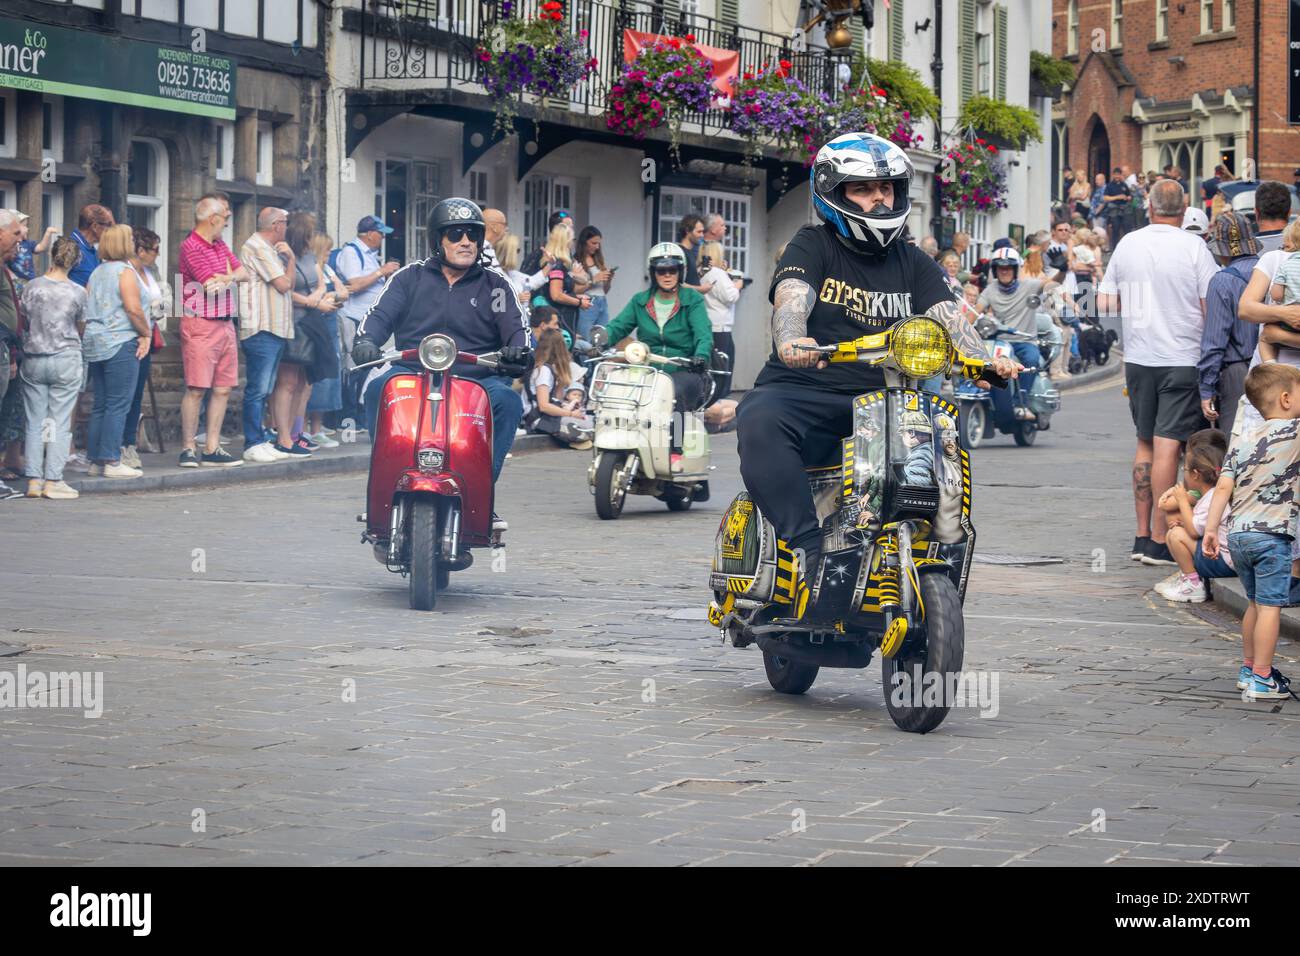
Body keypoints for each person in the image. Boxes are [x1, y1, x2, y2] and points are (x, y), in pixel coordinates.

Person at [736, 132, 1018, 617]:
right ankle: (808, 548)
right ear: (834, 193)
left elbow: (951, 319)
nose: (879, 198)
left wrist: (984, 360)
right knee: (758, 419)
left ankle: (939, 545)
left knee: (944, 435)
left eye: (886, 188)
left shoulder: (914, 262)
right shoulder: (812, 245)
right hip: (805, 387)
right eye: (864, 189)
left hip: (886, 398)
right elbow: (792, 300)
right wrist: (792, 341)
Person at [352, 198, 529, 531]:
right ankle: (385, 484)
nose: (466, 242)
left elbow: (515, 328)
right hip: (412, 372)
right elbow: (379, 315)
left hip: (476, 378)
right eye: (456, 234)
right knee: (378, 389)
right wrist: (365, 341)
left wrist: (519, 350)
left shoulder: (495, 286)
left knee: (507, 401)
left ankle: (481, 491)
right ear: (437, 240)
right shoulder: (410, 278)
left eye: (473, 235)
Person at [1098, 178, 1219, 567]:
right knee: (1168, 445)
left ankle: (1140, 536)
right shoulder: (1195, 247)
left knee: (1144, 442)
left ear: (1149, 207)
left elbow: (1105, 302)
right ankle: (1161, 538)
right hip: (1182, 356)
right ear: (1183, 210)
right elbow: (1210, 306)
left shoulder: (1128, 243)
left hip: (1139, 357)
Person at [1203, 363, 1300, 701]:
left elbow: (1222, 488)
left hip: (1239, 536)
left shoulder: (1242, 440)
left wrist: (1211, 530)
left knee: (1255, 604)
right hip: (1272, 537)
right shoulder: (1295, 432)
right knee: (1271, 607)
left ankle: (1248, 669)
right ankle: (1262, 677)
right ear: (1286, 399)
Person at [603, 242, 713, 472]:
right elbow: (618, 326)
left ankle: (676, 450)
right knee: (619, 387)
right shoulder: (640, 301)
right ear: (653, 273)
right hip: (648, 368)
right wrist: (599, 340)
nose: (667, 275)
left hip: (684, 368)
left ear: (680, 271)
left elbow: (703, 334)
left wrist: (700, 356)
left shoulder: (692, 299)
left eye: (672, 270)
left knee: (675, 391)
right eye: (661, 270)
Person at [177, 194, 247, 467]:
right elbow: (209, 285)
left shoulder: (219, 244)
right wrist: (230, 277)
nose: (227, 223)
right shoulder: (191, 246)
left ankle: (212, 447)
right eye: (225, 218)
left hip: (225, 323)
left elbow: (244, 273)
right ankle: (188, 448)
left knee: (223, 389)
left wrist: (228, 276)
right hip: (201, 323)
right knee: (196, 388)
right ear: (212, 219)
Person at [81, 225, 152, 479]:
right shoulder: (125, 272)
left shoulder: (96, 272)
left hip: (96, 343)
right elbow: (133, 309)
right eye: (130, 238)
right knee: (118, 404)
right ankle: (112, 459)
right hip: (120, 341)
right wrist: (146, 333)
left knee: (101, 404)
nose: (133, 241)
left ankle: (95, 461)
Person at [17, 237, 85, 499]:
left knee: (35, 421)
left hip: (34, 357)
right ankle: (53, 478)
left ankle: (34, 479)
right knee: (58, 421)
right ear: (75, 261)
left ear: (52, 255)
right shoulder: (78, 292)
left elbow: (24, 320)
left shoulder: (32, 287)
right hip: (65, 358)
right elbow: (81, 326)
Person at [239, 207, 301, 462]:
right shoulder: (257, 247)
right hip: (261, 327)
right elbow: (284, 284)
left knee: (265, 389)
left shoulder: (271, 250)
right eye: (285, 222)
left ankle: (261, 439)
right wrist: (292, 260)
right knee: (257, 389)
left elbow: (290, 284)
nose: (287, 227)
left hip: (275, 327)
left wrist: (289, 261)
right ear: (276, 225)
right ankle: (252, 442)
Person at [976, 247, 1066, 418]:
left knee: (1031, 360)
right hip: (1000, 342)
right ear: (995, 270)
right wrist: (959, 327)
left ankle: (1021, 403)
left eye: (1008, 267)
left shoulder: (1029, 286)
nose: (1004, 271)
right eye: (1000, 268)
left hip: (1025, 341)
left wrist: (1062, 270)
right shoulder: (990, 290)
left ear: (1015, 269)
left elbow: (1052, 284)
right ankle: (988, 401)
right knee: (981, 362)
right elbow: (975, 311)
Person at [283, 212, 342, 454]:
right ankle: (284, 434)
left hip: (312, 322)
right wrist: (313, 302)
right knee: (288, 383)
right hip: (294, 322)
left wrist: (316, 298)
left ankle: (297, 433)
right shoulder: (285, 255)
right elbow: (285, 289)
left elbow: (320, 284)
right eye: (309, 232)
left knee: (304, 383)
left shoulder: (309, 257)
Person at [1198, 211, 1262, 437]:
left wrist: (1207, 389)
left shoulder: (1222, 281)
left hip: (1238, 374)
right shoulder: (1270, 271)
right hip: (1275, 368)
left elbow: (1214, 342)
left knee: (1237, 444)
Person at [336, 216, 400, 432]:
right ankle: (348, 418)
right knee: (354, 368)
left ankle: (359, 415)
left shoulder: (369, 255)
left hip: (366, 320)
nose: (383, 238)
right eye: (380, 233)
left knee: (366, 367)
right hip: (353, 317)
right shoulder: (351, 252)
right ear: (370, 234)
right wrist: (381, 271)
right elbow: (354, 285)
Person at [1154, 431, 1232, 603]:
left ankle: (1193, 585)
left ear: (1196, 474)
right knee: (1174, 531)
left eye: (1185, 470)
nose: (1184, 473)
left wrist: (1182, 500)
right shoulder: (1210, 494)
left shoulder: (1211, 498)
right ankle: (1188, 578)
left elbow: (1194, 531)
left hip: (1222, 563)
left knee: (1176, 535)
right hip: (1218, 557)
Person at [119, 227, 165, 470]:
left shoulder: (149, 271)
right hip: (130, 338)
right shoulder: (125, 271)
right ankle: (118, 445)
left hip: (147, 337)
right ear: (140, 250)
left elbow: (160, 302)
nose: (158, 254)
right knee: (123, 396)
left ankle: (129, 444)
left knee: (136, 395)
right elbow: (131, 307)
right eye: (155, 249)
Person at [304, 230, 348, 447]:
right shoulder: (312, 269)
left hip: (330, 326)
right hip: (316, 325)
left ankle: (317, 428)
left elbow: (343, 292)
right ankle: (302, 429)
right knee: (313, 378)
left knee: (328, 376)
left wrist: (332, 295)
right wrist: (331, 295)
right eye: (328, 250)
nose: (331, 253)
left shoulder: (328, 270)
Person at [522, 328, 592, 448]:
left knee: (591, 421)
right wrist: (570, 414)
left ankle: (574, 440)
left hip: (548, 416)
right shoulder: (543, 371)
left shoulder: (548, 369)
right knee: (588, 428)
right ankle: (574, 440)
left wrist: (561, 383)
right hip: (538, 418)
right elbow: (544, 406)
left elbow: (556, 400)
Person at [699, 239, 742, 402]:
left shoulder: (702, 272)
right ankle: (720, 400)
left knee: (714, 364)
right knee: (722, 365)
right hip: (720, 326)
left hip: (709, 322)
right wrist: (737, 285)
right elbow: (730, 296)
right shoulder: (717, 273)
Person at [575, 225, 612, 341]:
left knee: (602, 339)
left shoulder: (599, 260)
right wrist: (593, 281)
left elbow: (605, 290)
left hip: (602, 301)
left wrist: (608, 280)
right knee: (586, 339)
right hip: (588, 301)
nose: (597, 247)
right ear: (584, 242)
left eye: (598, 244)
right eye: (593, 243)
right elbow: (574, 290)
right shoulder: (576, 262)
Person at [68, 205, 114, 288]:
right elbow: (56, 283)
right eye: (108, 225)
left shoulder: (93, 250)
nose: (111, 230)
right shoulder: (71, 248)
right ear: (95, 226)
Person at [7, 211, 58, 283]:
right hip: (15, 282)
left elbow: (41, 247)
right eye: (24, 226)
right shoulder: (9, 245)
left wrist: (48, 233)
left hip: (30, 281)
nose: (27, 229)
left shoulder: (28, 243)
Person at [677, 214, 713, 295]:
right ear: (687, 231)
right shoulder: (680, 253)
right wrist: (700, 289)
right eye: (699, 232)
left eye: (702, 232)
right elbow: (678, 283)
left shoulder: (690, 252)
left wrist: (701, 273)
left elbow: (688, 280)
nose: (702, 235)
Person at [1101, 167, 1133, 248]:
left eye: (1118, 174)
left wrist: (1128, 197)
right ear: (1113, 175)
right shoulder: (1109, 185)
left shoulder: (1124, 184)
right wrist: (1117, 197)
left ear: (1121, 175)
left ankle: (1127, 247)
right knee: (1115, 230)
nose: (1117, 176)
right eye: (1115, 174)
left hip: (1124, 210)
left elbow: (1129, 196)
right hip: (1114, 210)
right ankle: (1114, 248)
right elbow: (1105, 198)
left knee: (1127, 230)